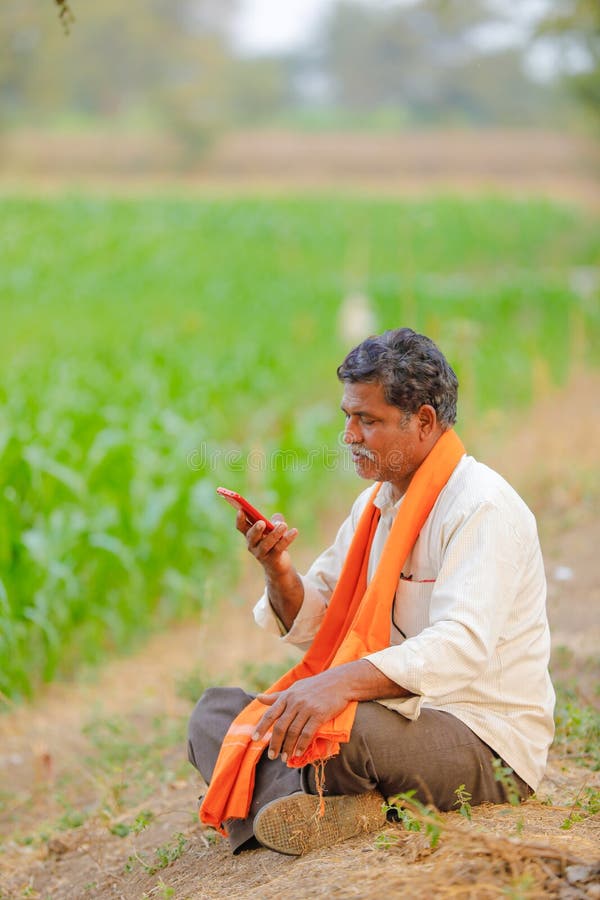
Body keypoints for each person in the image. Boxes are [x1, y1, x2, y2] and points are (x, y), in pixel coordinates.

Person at [187, 328, 555, 857]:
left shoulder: (483, 507)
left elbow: (461, 645)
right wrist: (278, 570)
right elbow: (319, 616)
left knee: (343, 729)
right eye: (348, 416)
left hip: (481, 736)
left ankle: (296, 804)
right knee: (215, 713)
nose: (349, 435)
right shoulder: (375, 507)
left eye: (369, 420)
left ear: (424, 421)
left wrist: (337, 686)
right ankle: (321, 807)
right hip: (395, 718)